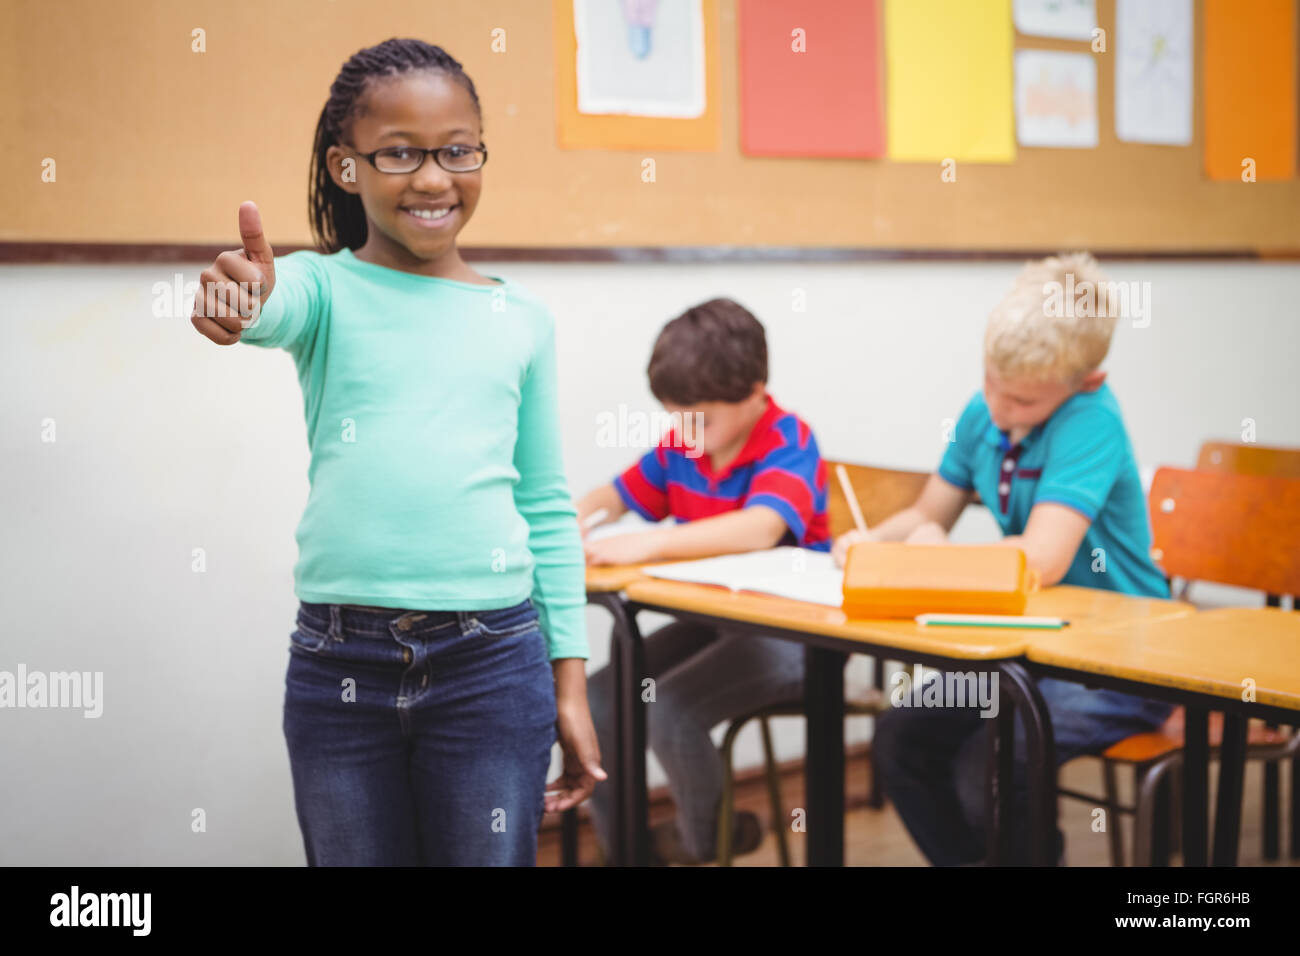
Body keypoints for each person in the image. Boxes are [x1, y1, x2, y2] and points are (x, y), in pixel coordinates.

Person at [190, 37, 602, 866]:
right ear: (348, 168)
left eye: (457, 150)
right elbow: (269, 306)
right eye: (399, 153)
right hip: (339, 666)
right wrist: (243, 298)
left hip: (492, 664)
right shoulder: (323, 288)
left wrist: (570, 681)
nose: (433, 177)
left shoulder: (520, 319)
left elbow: (547, 506)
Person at [833, 253, 1172, 866]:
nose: (997, 408)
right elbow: (930, 514)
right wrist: (875, 542)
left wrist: (936, 561)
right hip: (1029, 650)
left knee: (992, 763)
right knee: (901, 740)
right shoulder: (984, 410)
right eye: (990, 381)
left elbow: (1039, 557)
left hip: (1120, 657)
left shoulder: (1092, 422)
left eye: (1020, 400)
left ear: (1086, 380)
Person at [578, 298, 829, 864]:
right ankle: (629, 850)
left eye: (701, 417)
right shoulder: (686, 443)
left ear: (755, 390)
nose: (687, 431)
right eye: (677, 416)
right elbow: (617, 495)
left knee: (668, 708)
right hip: (716, 626)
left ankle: (702, 845)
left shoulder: (789, 440)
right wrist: (580, 514)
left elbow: (762, 527)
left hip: (792, 639)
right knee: (599, 695)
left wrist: (652, 541)